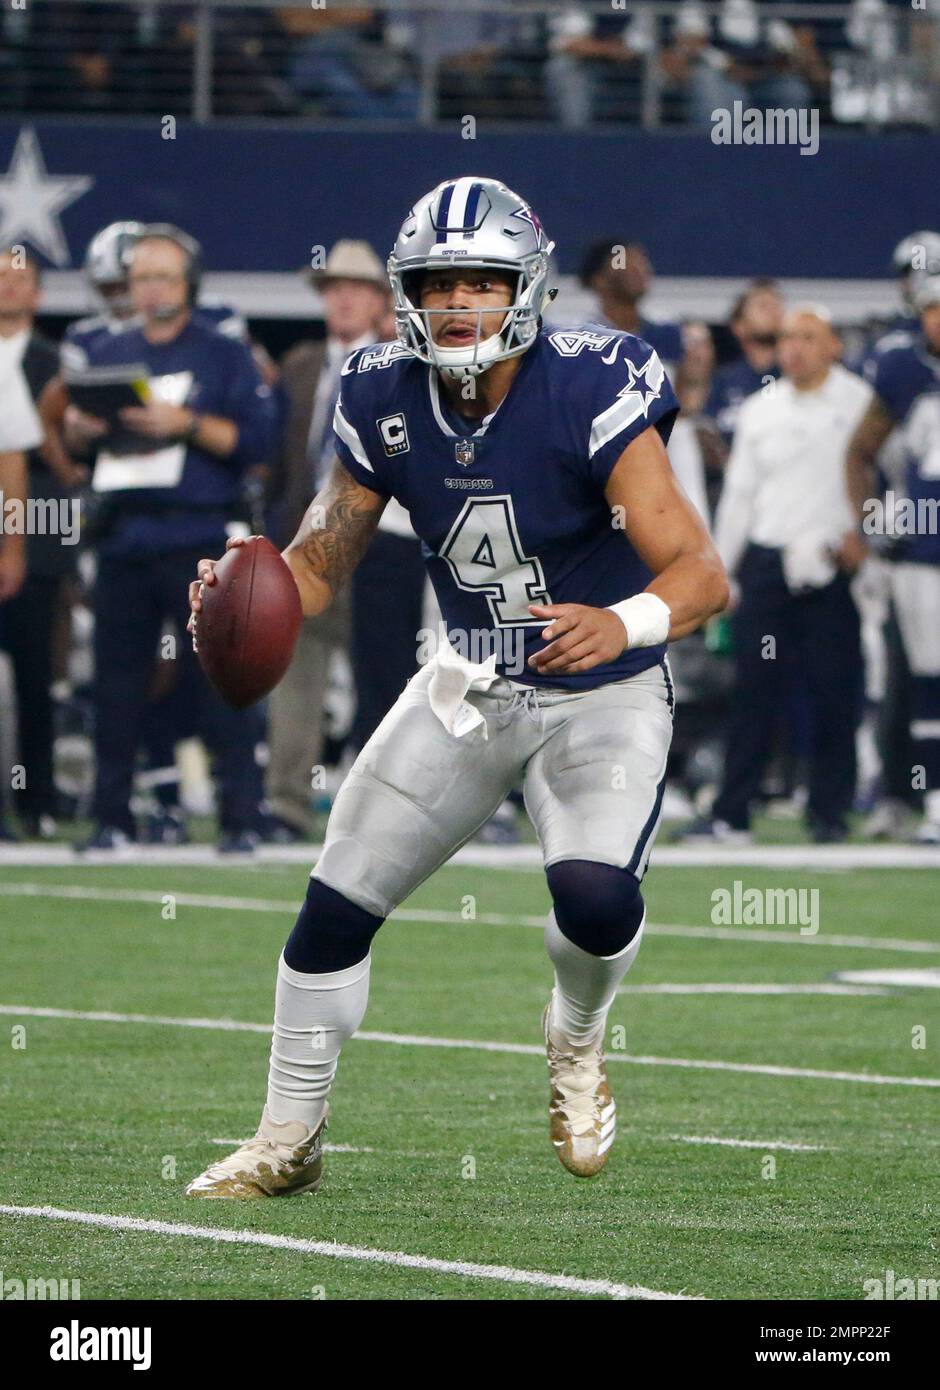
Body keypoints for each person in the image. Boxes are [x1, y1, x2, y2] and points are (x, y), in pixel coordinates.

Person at [184, 176, 727, 1197]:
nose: (461, 305)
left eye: (483, 281)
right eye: (440, 285)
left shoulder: (589, 383)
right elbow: (316, 560)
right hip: (469, 681)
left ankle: (575, 1038)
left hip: (600, 687)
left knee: (595, 896)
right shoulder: (381, 389)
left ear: (525, 285)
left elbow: (700, 574)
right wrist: (238, 588)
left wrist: (618, 619)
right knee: (335, 904)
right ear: (409, 294)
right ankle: (285, 1135)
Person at [67, 224, 278, 853]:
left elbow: (258, 442)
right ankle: (111, 817)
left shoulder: (222, 352)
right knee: (116, 684)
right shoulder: (107, 350)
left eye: (162, 276)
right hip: (125, 534)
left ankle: (240, 816)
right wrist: (80, 429)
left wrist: (185, 423)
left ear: (189, 285)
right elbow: (77, 444)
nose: (149, 287)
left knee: (221, 679)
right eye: (139, 277)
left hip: (198, 534)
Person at [681, 307, 872, 845]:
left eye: (809, 338)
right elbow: (740, 495)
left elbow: (885, 474)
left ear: (834, 345)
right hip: (766, 563)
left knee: (836, 695)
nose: (795, 349)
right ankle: (732, 813)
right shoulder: (762, 409)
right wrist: (721, 571)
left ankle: (829, 815)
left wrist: (867, 536)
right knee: (752, 694)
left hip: (831, 568)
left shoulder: (859, 403)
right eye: (788, 338)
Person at [264, 240, 394, 841]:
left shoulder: (401, 362)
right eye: (333, 287)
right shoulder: (299, 365)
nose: (342, 298)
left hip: (382, 542)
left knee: (384, 679)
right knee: (296, 673)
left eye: (357, 288)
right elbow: (279, 460)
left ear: (381, 301)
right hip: (305, 540)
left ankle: (378, 809)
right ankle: (288, 804)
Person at [845, 276, 940, 844]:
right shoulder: (903, 372)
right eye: (931, 309)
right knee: (928, 679)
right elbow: (859, 453)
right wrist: (872, 524)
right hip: (924, 550)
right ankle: (932, 801)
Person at [0, 246, 78, 840]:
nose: (7, 286)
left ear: (39, 293)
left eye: (17, 277)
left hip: (43, 532)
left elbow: (71, 461)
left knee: (37, 676)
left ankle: (39, 800)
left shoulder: (61, 363)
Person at [578, 237, 684, 370]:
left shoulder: (667, 334)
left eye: (641, 261)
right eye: (624, 262)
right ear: (599, 279)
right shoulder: (583, 340)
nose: (639, 269)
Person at [704, 279, 784, 444]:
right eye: (763, 306)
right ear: (739, 326)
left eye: (777, 306)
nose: (773, 312)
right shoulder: (722, 381)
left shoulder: (797, 376)